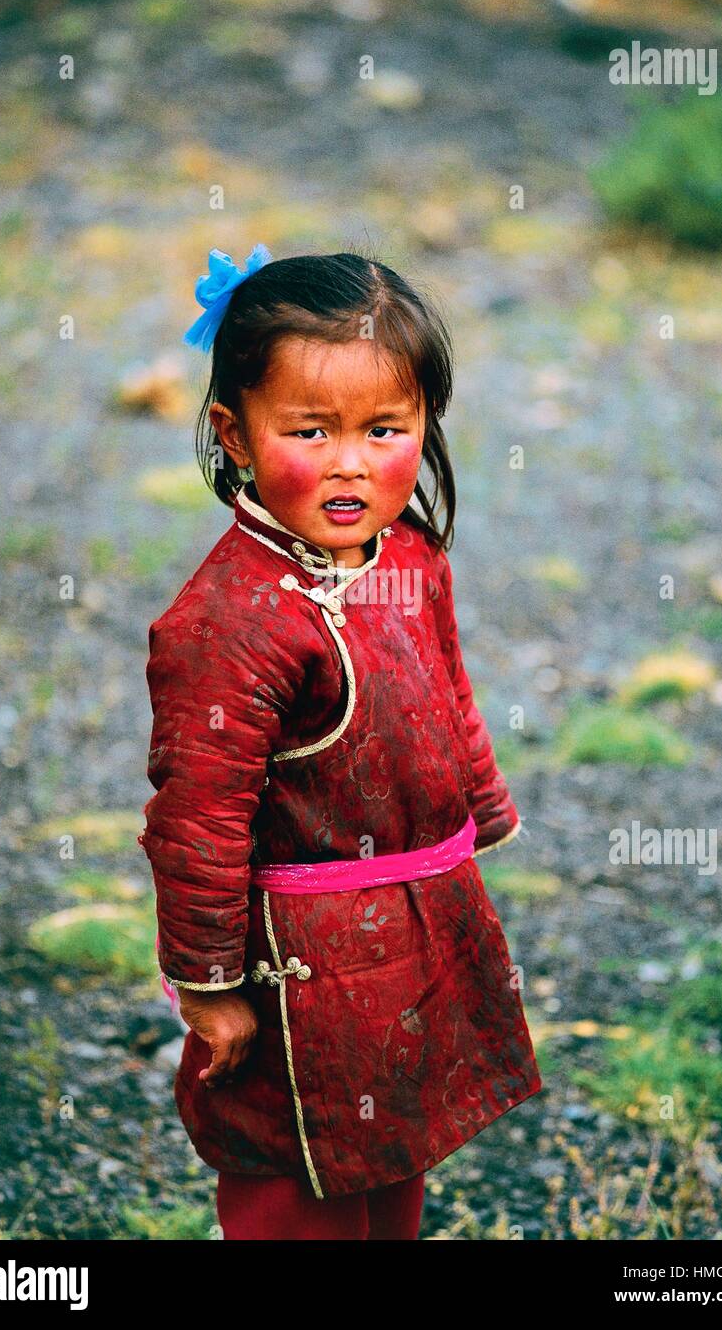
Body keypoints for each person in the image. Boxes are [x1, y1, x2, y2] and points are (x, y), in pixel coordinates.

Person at [138, 245, 543, 1240]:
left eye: (386, 429)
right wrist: (209, 983)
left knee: (392, 1148)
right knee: (294, 1169)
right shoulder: (230, 623)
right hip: (299, 970)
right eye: (310, 431)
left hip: (414, 926)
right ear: (233, 434)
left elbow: (445, 689)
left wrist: (478, 812)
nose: (353, 461)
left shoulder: (407, 554)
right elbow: (197, 816)